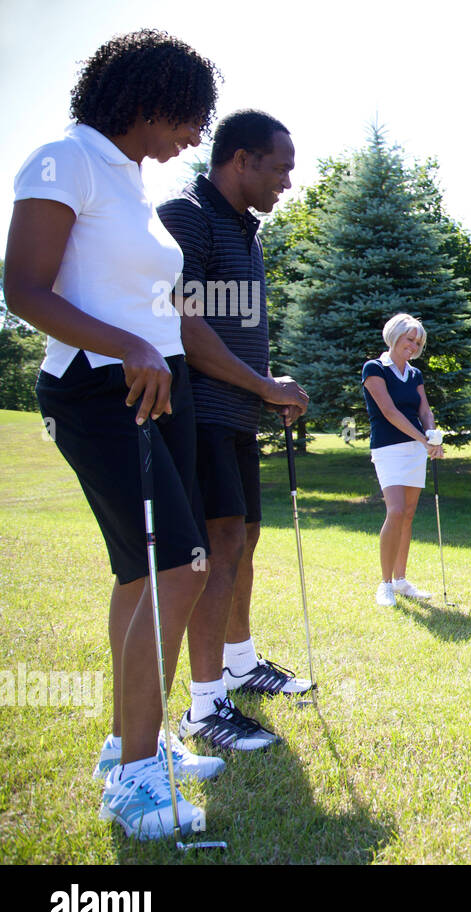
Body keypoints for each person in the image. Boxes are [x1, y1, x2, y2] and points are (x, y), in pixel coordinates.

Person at [4, 30, 222, 838]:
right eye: (191, 116)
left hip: (152, 390)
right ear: (149, 97)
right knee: (183, 565)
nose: (195, 136)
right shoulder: (64, 160)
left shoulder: (127, 181)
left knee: (141, 578)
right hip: (96, 390)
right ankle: (134, 781)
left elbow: (155, 305)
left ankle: (130, 743)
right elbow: (21, 286)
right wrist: (125, 345)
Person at [156, 109, 311, 753]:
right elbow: (184, 325)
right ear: (241, 159)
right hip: (199, 414)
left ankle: (241, 664)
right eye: (279, 168)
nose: (286, 183)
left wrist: (269, 383)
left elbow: (235, 329)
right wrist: (264, 387)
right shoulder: (186, 214)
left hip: (239, 413)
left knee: (244, 540)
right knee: (216, 549)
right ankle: (204, 706)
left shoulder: (246, 229)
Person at [361, 314, 444, 606]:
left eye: (418, 342)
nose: (414, 345)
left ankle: (400, 581)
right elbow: (389, 412)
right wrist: (423, 439)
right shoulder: (374, 368)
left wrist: (431, 435)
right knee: (395, 511)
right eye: (410, 338)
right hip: (388, 449)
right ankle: (384, 584)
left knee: (407, 515)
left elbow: (424, 411)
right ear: (394, 336)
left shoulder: (415, 374)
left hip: (415, 450)